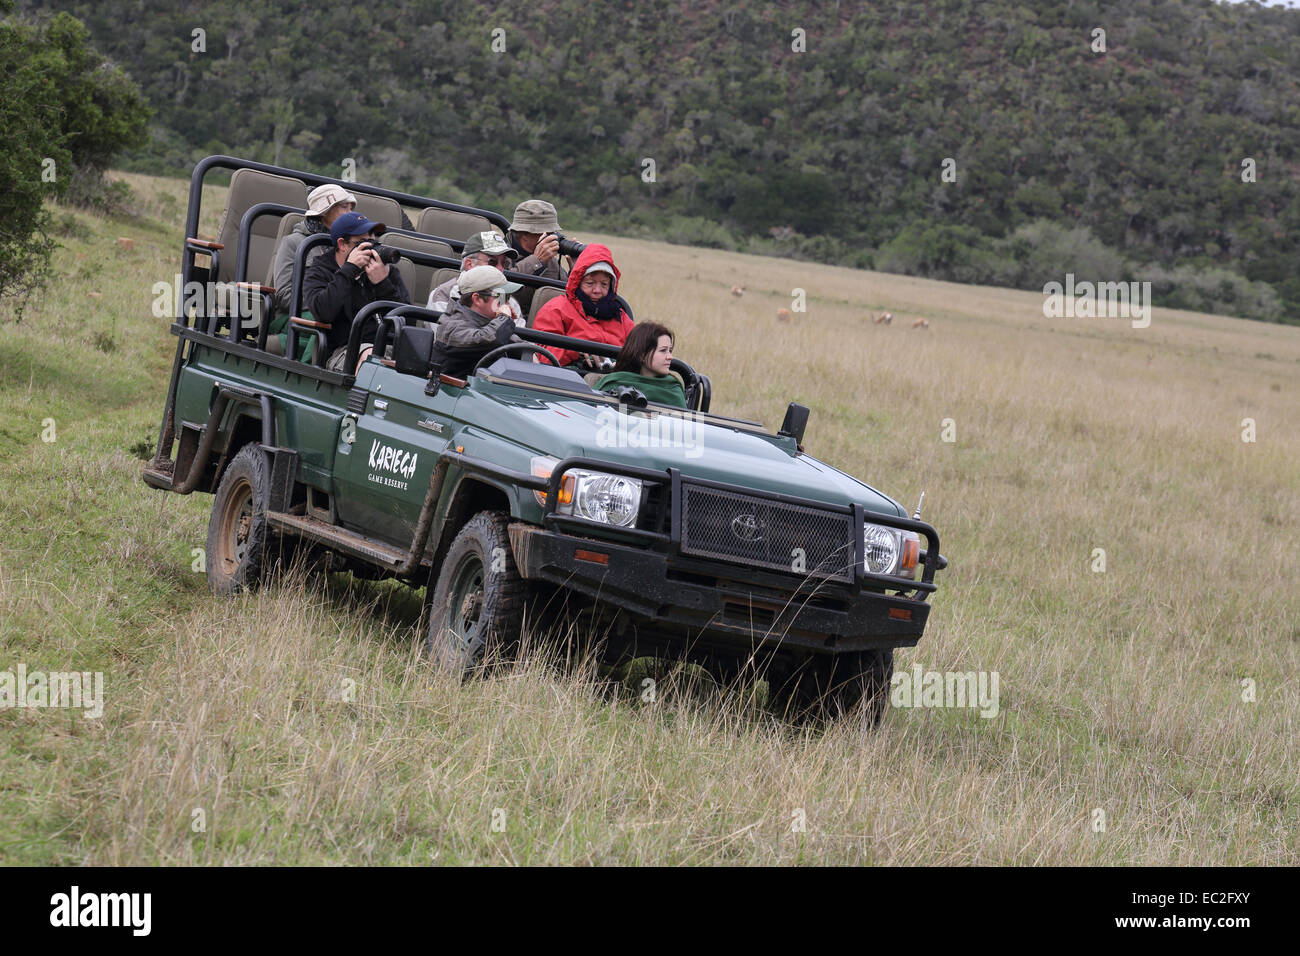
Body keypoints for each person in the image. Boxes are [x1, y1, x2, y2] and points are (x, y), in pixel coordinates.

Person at [303, 211, 410, 371]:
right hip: (343, 351)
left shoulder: (386, 272)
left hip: (390, 348)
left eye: (373, 241)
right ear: (342, 245)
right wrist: (349, 271)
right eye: (362, 243)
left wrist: (382, 283)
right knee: (371, 360)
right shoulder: (320, 272)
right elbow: (323, 312)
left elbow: (407, 322)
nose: (371, 249)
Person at [531, 244, 633, 372]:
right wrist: (576, 349)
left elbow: (640, 351)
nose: (597, 290)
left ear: (612, 286)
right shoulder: (556, 309)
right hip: (573, 378)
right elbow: (541, 356)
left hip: (617, 380)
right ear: (577, 282)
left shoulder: (621, 316)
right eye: (590, 283)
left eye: (604, 284)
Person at [271, 183, 356, 318]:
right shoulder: (293, 243)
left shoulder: (350, 246)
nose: (351, 214)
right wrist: (324, 304)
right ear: (324, 211)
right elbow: (283, 295)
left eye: (351, 208)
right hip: (299, 317)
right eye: (344, 207)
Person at [428, 265, 522, 378]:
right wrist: (504, 318)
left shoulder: (493, 325)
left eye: (507, 297)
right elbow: (489, 340)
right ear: (477, 299)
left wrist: (529, 354)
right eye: (501, 296)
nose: (506, 304)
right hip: (452, 393)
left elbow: (521, 351)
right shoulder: (451, 327)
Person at [426, 230, 521, 320]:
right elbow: (447, 336)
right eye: (492, 262)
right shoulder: (443, 296)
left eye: (504, 264)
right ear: (469, 264)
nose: (500, 269)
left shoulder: (510, 302)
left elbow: (519, 336)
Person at [595, 322, 687, 408]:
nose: (670, 357)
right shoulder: (614, 382)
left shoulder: (673, 389)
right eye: (663, 350)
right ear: (642, 355)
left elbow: (684, 423)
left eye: (670, 351)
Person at [505, 199, 567, 313]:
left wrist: (576, 269)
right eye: (547, 233)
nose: (552, 238)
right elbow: (501, 289)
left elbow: (567, 295)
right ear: (524, 234)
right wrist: (536, 260)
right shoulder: (498, 253)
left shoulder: (550, 261)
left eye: (553, 233)